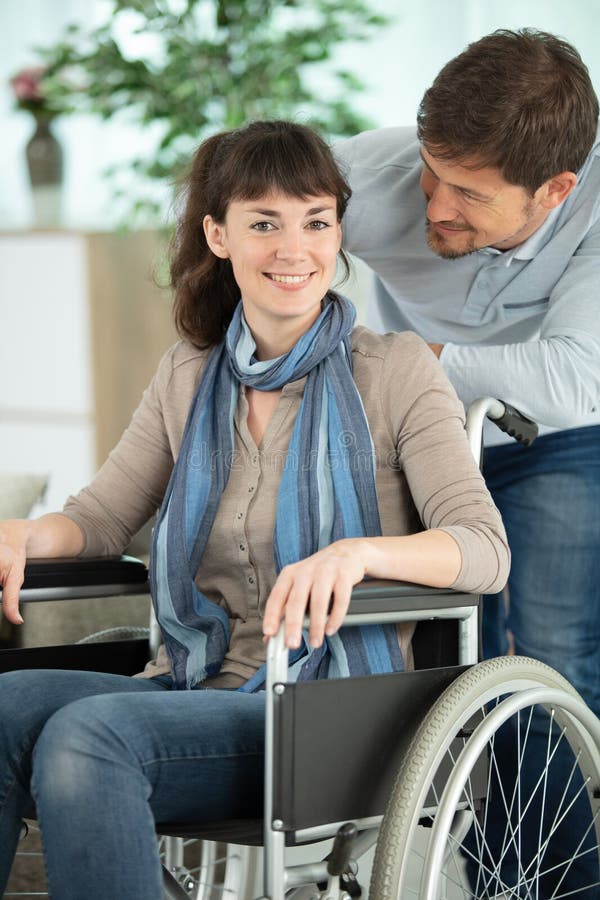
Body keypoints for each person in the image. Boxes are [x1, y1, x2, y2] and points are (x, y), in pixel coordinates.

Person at [0, 120, 508, 899]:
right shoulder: (188, 376)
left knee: (88, 737)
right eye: (264, 224)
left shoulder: (395, 370)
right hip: (192, 686)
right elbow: (100, 517)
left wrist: (358, 553)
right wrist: (25, 534)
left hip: (330, 714)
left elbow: (482, 547)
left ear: (339, 231)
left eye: (316, 222)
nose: (293, 250)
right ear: (219, 234)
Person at [335, 27, 600, 897]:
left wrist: (412, 362)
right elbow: (236, 198)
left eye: (469, 194)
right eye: (431, 172)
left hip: (566, 435)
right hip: (430, 434)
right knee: (432, 655)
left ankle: (557, 881)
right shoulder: (371, 177)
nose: (434, 204)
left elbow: (575, 378)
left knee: (544, 649)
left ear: (556, 190)